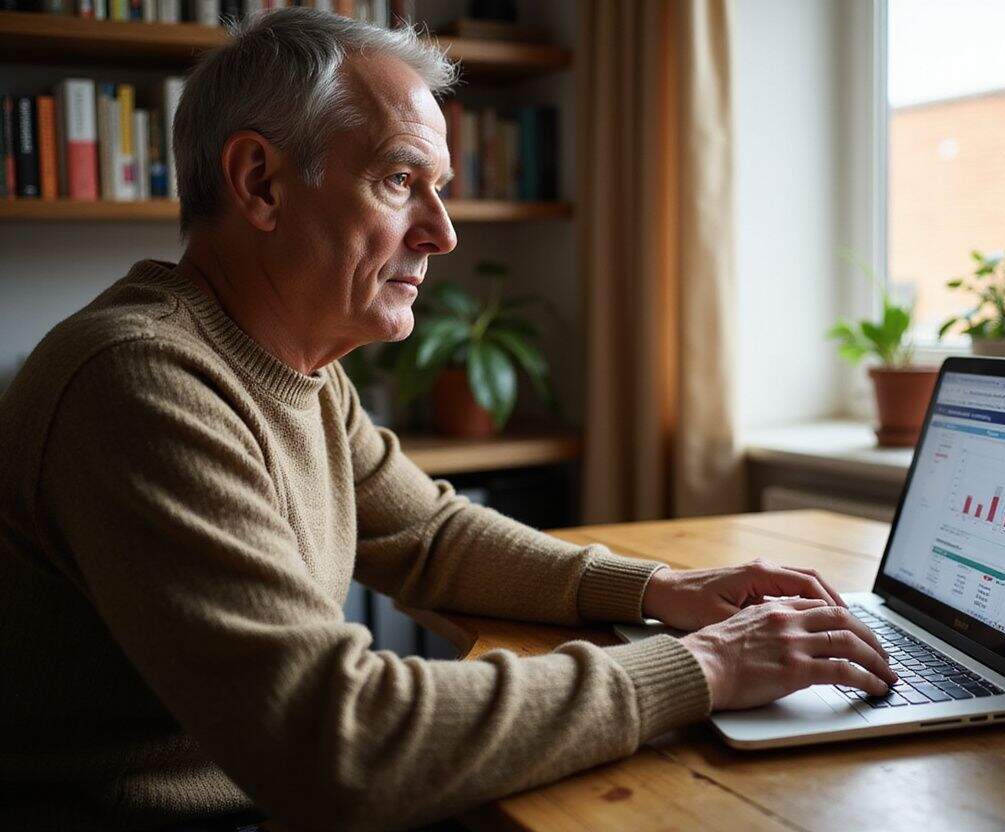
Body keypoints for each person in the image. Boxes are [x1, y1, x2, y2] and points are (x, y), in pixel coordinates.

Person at [0, 9, 896, 830]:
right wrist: (701, 669)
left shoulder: (295, 366)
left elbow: (429, 535)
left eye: (440, 188)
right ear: (260, 182)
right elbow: (340, 743)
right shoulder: (142, 382)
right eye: (400, 180)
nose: (443, 234)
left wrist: (655, 589)